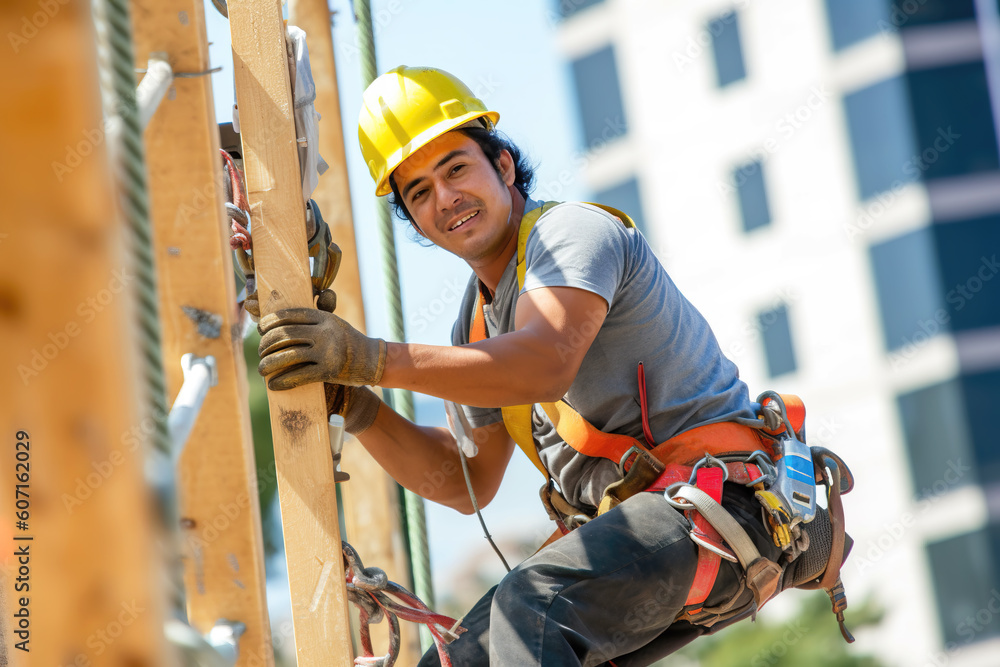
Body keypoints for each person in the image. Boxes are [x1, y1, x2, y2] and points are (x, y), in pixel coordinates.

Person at [256, 65, 852, 666]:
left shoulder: (571, 234)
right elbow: (466, 480)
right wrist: (357, 404)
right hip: (644, 541)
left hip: (721, 505)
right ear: (415, 223)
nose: (445, 198)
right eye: (418, 192)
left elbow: (545, 363)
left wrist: (366, 358)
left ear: (504, 167)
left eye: (456, 168)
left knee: (531, 607)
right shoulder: (476, 324)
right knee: (453, 661)